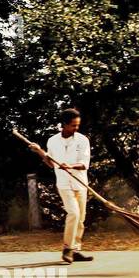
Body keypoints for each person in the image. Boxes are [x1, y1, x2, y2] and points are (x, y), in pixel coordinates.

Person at [46, 110, 92, 264]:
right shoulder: (52, 141)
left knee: (81, 218)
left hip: (80, 182)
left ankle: (76, 249)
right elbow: (51, 162)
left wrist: (70, 166)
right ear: (64, 124)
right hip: (64, 183)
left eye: (77, 125)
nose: (76, 128)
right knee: (73, 214)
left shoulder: (83, 140)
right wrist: (41, 154)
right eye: (73, 125)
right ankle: (67, 248)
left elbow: (85, 164)